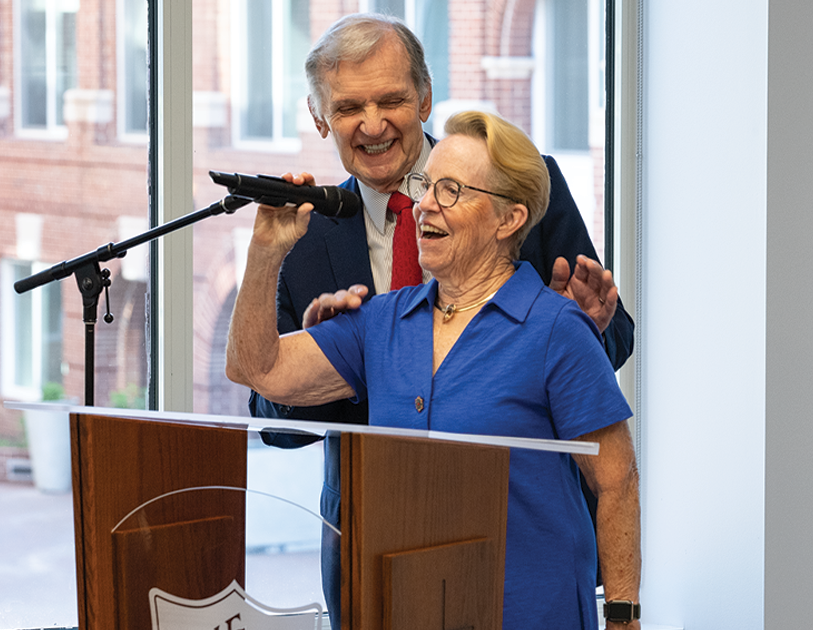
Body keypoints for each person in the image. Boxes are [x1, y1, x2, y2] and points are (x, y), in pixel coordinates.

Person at [249, 12, 636, 625]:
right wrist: (333, 356)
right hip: (374, 547)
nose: (372, 125)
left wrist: (594, 324)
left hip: (521, 549)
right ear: (321, 117)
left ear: (425, 98)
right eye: (349, 107)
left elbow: (601, 349)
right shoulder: (303, 238)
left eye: (393, 100)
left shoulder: (518, 183)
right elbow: (271, 417)